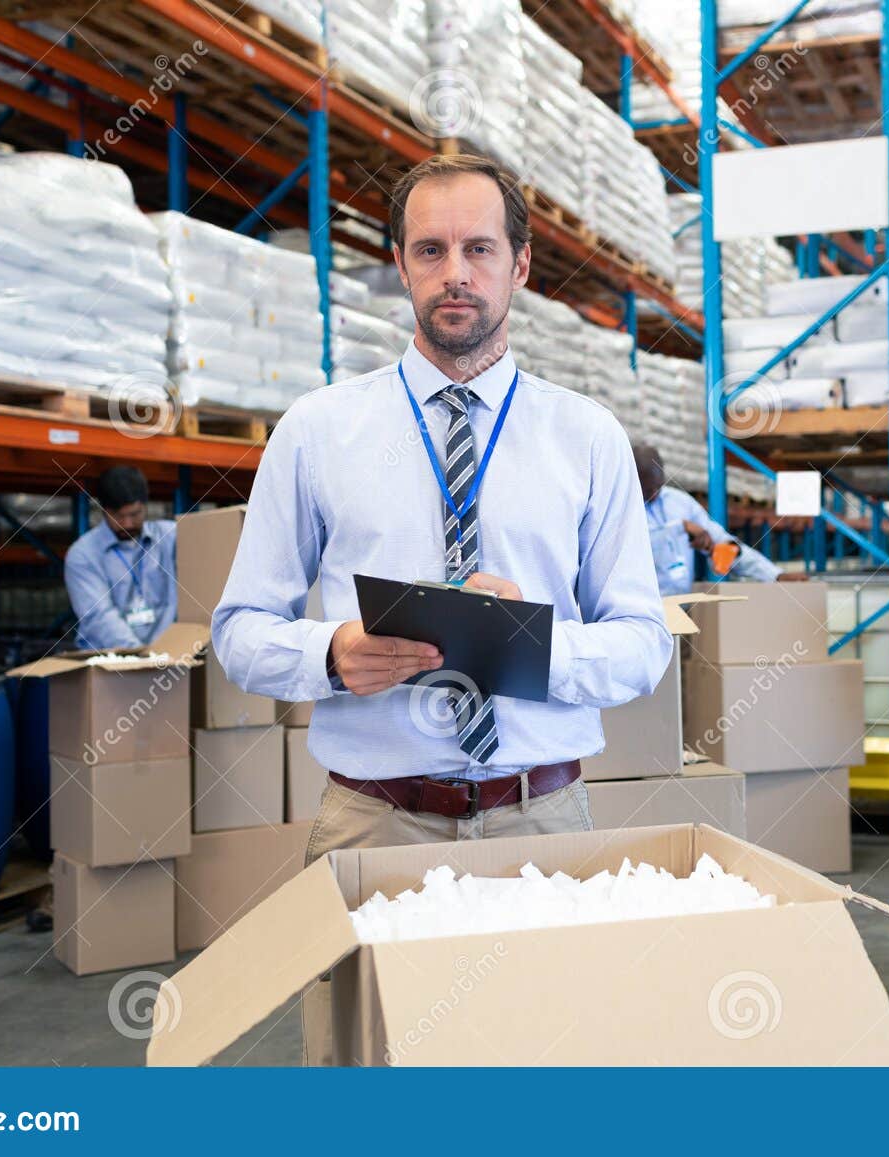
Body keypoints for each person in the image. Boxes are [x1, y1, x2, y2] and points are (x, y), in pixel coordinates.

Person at [210, 153, 673, 1064]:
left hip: (541, 821)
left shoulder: (586, 437)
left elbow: (643, 645)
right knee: (365, 1084)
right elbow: (239, 631)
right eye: (430, 249)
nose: (455, 272)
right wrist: (333, 652)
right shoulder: (318, 430)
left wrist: (531, 648)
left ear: (521, 264)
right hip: (376, 824)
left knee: (538, 1081)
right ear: (401, 262)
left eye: (478, 247)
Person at [632, 442, 802, 596]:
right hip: (640, 612)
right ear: (631, 477)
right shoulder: (622, 507)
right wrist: (681, 528)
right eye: (647, 489)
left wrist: (774, 575)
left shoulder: (680, 502)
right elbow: (637, 543)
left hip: (681, 609)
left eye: (658, 487)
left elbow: (723, 541)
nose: (654, 493)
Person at [63, 465, 177, 650]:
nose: (127, 523)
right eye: (118, 516)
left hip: (169, 655)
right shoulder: (83, 555)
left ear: (145, 504)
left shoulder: (171, 537)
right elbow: (99, 617)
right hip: (109, 662)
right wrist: (140, 657)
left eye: (135, 514)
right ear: (103, 510)